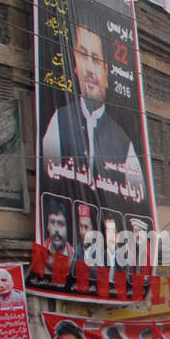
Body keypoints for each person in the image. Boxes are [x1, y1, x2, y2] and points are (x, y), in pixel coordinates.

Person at [40, 22, 147, 204]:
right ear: (75, 65)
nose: (89, 69)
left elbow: (138, 199)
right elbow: (49, 181)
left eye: (96, 60)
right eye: (83, 56)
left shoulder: (123, 142)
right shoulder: (59, 121)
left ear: (106, 73)